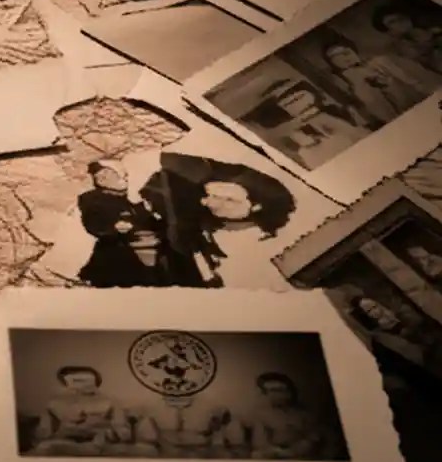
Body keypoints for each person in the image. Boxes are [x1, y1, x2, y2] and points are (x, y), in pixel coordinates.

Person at [139, 153, 297, 287]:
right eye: (230, 199)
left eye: (223, 207)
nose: (215, 200)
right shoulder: (195, 168)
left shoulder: (188, 230)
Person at [76, 161, 168, 288]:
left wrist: (152, 214)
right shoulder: (94, 200)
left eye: (117, 174)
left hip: (145, 257)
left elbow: (147, 222)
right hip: (114, 257)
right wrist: (112, 228)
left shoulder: (131, 200)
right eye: (101, 175)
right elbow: (93, 223)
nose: (123, 179)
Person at [30, 366, 148, 457]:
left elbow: (123, 431)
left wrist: (111, 431)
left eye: (85, 380)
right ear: (65, 382)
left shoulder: (110, 401)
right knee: (46, 448)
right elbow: (43, 433)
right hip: (66, 442)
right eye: (76, 380)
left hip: (102, 442)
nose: (81, 385)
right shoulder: (54, 403)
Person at [323, 37, 435, 127]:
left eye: (346, 52)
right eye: (335, 57)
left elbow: (413, 82)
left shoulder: (380, 62)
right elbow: (364, 110)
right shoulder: (343, 81)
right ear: (332, 63)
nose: (343, 58)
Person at [248, 372, 327, 460]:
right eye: (269, 391)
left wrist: (295, 451)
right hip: (275, 457)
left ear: (290, 391)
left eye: (280, 390)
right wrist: (280, 452)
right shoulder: (261, 415)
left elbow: (314, 438)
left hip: (303, 456)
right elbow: (260, 444)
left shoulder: (305, 414)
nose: (274, 395)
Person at [370, 3, 441, 72]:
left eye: (401, 18)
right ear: (388, 31)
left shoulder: (425, 30)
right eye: (392, 22)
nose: (400, 22)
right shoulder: (394, 49)